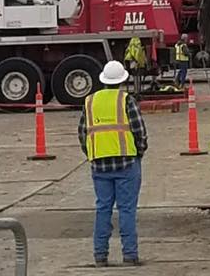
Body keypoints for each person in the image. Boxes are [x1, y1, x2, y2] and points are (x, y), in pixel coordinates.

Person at [78, 59, 147, 267]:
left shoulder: (89, 102)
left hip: (99, 165)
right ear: (121, 81)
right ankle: (130, 255)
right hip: (126, 163)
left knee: (103, 209)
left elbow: (83, 133)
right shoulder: (126, 100)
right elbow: (139, 130)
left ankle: (100, 256)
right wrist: (139, 152)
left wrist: (92, 153)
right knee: (126, 210)